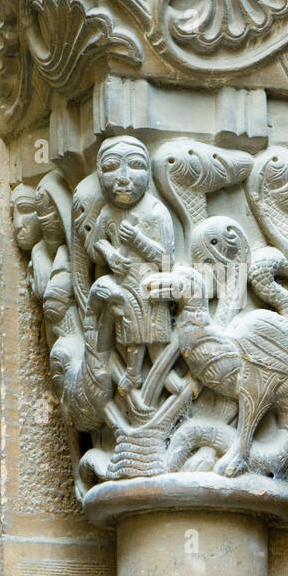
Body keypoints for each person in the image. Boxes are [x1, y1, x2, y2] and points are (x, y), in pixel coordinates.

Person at [84, 136, 176, 391]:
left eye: (135, 164)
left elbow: (166, 259)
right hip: (125, 284)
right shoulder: (107, 213)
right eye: (112, 166)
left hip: (150, 286)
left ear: (149, 172)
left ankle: (167, 382)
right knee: (130, 332)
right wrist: (111, 254)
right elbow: (94, 245)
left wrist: (137, 239)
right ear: (100, 175)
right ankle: (135, 373)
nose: (123, 176)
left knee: (155, 336)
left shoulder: (157, 212)